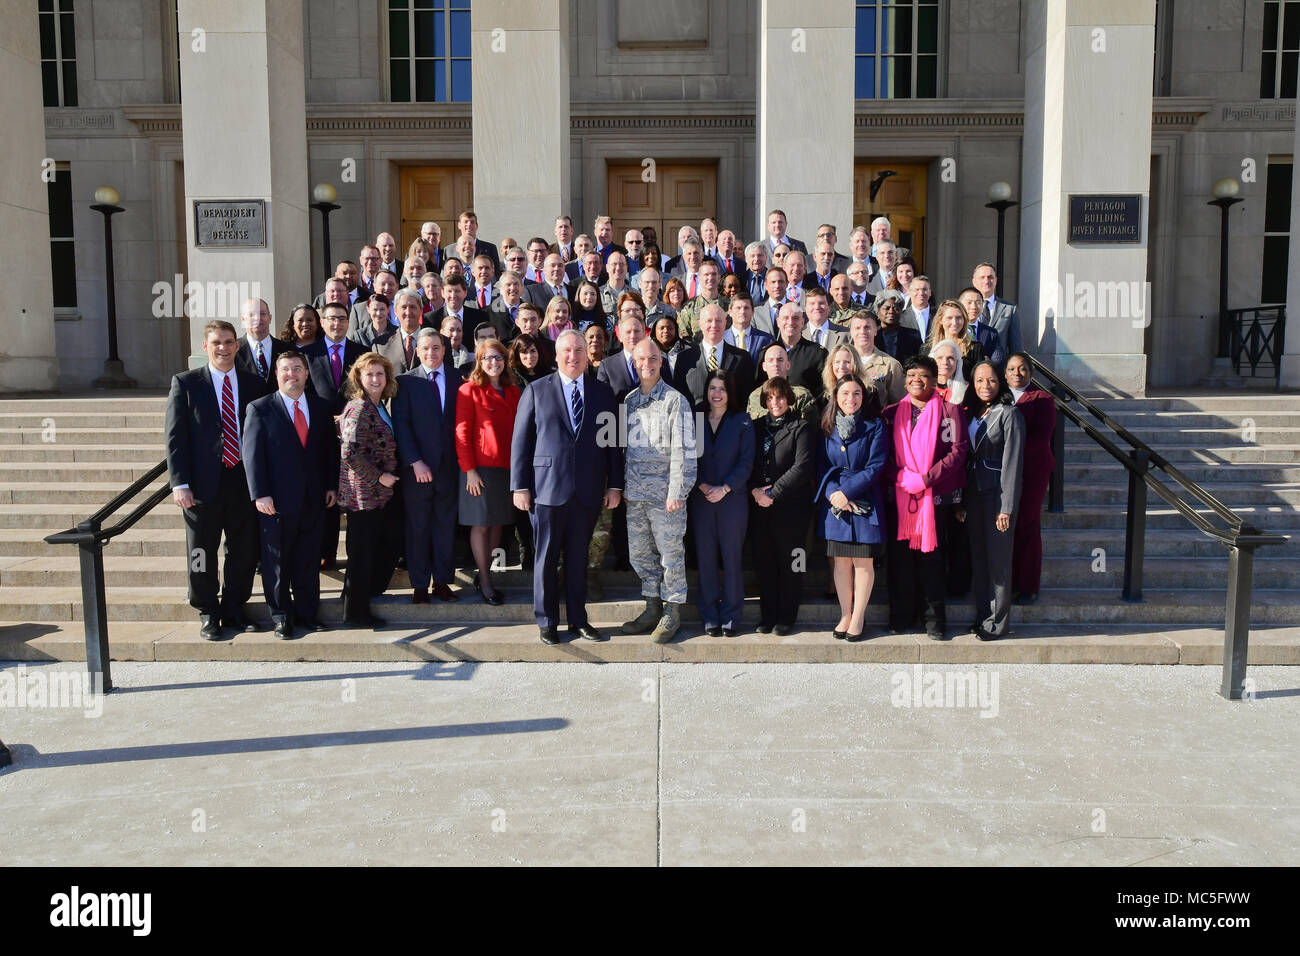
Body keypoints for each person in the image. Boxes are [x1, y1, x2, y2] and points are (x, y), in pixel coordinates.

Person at [511, 329, 624, 646]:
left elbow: (613, 444)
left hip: (587, 491)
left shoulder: (602, 392)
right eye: (567, 351)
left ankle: (578, 619)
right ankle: (547, 621)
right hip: (546, 489)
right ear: (557, 355)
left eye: (578, 350)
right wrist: (520, 487)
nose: (573, 356)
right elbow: (521, 443)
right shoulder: (536, 389)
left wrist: (614, 485)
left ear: (587, 355)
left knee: (578, 559)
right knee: (545, 558)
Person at [166, 320, 269, 640]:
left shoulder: (254, 384)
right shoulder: (185, 383)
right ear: (205, 347)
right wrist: (179, 483)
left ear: (237, 346)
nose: (223, 348)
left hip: (243, 481)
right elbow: (176, 437)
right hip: (201, 485)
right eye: (216, 343)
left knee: (242, 549)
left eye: (228, 342)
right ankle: (207, 611)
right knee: (201, 550)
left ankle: (234, 608)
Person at [242, 350, 338, 639]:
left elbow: (329, 452)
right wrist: (260, 494)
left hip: (314, 498)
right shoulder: (259, 408)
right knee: (277, 561)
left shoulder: (321, 408)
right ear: (277, 374)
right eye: (285, 369)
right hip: (277, 501)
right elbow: (252, 456)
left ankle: (308, 614)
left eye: (297, 369)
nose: (291, 374)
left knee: (308, 559)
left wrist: (332, 485)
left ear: (307, 374)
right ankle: (281, 616)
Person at [882, 356, 969, 641]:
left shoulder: (949, 412)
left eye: (923, 375)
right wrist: (903, 478)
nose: (916, 379)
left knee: (932, 561)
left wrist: (926, 479)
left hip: (936, 498)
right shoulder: (891, 413)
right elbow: (882, 454)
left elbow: (957, 451)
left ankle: (934, 622)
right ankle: (902, 616)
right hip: (900, 495)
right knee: (901, 561)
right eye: (911, 374)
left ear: (935, 380)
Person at [620, 339, 697, 644]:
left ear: (661, 362)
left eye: (653, 358)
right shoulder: (628, 401)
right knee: (641, 555)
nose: (648, 364)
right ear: (635, 364)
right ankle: (652, 607)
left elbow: (685, 450)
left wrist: (678, 491)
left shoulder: (674, 401)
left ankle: (673, 611)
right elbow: (621, 449)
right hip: (635, 495)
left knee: (670, 555)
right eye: (642, 359)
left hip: (666, 497)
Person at [815, 375, 889, 642]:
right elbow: (821, 465)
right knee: (841, 563)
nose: (851, 399)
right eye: (845, 393)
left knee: (863, 561)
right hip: (835, 503)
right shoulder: (826, 426)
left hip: (864, 500)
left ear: (863, 396)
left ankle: (858, 617)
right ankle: (845, 614)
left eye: (856, 393)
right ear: (836, 397)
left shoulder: (875, 426)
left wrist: (847, 492)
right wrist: (834, 492)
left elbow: (875, 466)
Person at [392, 329, 463, 606]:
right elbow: (402, 425)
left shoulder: (459, 380)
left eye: (436, 348)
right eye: (425, 349)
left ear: (444, 350)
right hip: (417, 470)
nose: (431, 353)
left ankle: (442, 582)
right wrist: (415, 461)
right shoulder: (405, 382)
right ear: (417, 351)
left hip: (450, 469)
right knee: (418, 528)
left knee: (445, 527)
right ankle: (420, 584)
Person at [338, 352, 403, 627]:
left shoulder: (379, 406)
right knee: (361, 553)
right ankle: (355, 613)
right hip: (363, 495)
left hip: (378, 496)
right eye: (369, 374)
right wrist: (379, 478)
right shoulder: (360, 407)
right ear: (359, 378)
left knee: (382, 545)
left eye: (380, 374)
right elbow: (349, 452)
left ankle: (357, 599)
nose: (375, 379)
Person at [454, 338, 520, 605]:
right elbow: (462, 432)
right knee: (480, 525)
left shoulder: (513, 391)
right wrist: (469, 469)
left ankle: (486, 574)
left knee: (497, 523)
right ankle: (485, 580)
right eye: (487, 358)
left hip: (507, 468)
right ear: (479, 362)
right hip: (479, 469)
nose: (493, 362)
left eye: (498, 357)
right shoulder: (468, 390)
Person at [962, 360, 1025, 641]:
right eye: (979, 381)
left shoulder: (1009, 414)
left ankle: (998, 623)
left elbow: (1013, 463)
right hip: (974, 495)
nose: (985, 386)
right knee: (979, 559)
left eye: (990, 380)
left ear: (1000, 382)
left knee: (998, 562)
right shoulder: (973, 414)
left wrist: (1006, 507)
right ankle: (981, 617)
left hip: (997, 497)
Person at [691, 369, 754, 638]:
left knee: (731, 558)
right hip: (702, 499)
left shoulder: (743, 421)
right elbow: (687, 457)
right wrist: (703, 485)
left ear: (730, 393)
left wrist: (725, 487)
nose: (717, 394)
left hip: (732, 501)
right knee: (705, 559)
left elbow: (747, 461)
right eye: (713, 388)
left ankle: (731, 615)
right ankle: (709, 614)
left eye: (722, 389)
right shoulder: (695, 420)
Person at [750, 377, 815, 635]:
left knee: (793, 564)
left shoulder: (801, 427)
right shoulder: (754, 427)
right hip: (759, 507)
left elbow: (802, 467)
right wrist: (754, 490)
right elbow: (745, 460)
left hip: (791, 509)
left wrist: (773, 493)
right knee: (765, 564)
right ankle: (768, 616)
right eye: (770, 398)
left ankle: (787, 616)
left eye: (779, 397)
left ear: (788, 399)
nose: (775, 402)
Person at [1005, 351, 1056, 605]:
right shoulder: (997, 397)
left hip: (1031, 470)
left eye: (1022, 369)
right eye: (1012, 369)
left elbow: (1040, 439)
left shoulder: (1042, 399)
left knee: (1027, 524)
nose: (1017, 373)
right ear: (1004, 373)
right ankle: (1008, 582)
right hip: (1002, 473)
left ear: (1031, 373)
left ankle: (1027, 586)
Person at [676, 303, 756, 408]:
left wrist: (736, 422)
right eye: (709, 321)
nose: (714, 325)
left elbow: (745, 397)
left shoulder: (742, 357)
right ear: (700, 324)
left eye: (718, 321)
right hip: (698, 420)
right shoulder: (685, 359)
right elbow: (681, 399)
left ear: (725, 323)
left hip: (729, 420)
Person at [748, 342, 818, 422]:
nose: (775, 364)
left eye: (780, 360)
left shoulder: (802, 395)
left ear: (788, 365)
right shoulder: (754, 396)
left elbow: (810, 428)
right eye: (770, 360)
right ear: (764, 366)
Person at [848, 309, 905, 407]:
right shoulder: (841, 361)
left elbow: (899, 405)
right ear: (851, 331)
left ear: (875, 330)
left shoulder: (890, 365)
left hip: (876, 420)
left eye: (867, 327)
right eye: (857, 328)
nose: (862, 332)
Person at [922, 298, 986, 380]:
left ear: (964, 320)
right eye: (949, 318)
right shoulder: (926, 349)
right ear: (940, 320)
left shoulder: (975, 348)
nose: (955, 323)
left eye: (959, 318)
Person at [236, 297, 290, 386]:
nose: (257, 318)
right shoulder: (233, 350)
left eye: (262, 314)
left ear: (270, 318)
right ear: (243, 320)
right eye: (251, 314)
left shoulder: (287, 349)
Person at [972, 262, 1023, 355]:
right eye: (982, 277)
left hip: (998, 366)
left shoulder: (1010, 309)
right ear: (974, 282)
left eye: (990, 277)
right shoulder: (963, 308)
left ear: (996, 280)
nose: (986, 281)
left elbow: (1016, 347)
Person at [376, 288, 426, 375]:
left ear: (421, 310)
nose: (408, 312)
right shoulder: (380, 345)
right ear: (395, 311)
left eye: (413, 307)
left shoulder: (439, 341)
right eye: (403, 307)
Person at [959, 285, 1008, 369]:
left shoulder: (991, 333)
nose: (974, 307)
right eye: (969, 302)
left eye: (978, 302)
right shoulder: (953, 329)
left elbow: (998, 361)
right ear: (960, 304)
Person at [874, 289, 921, 363]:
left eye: (896, 308)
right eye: (887, 308)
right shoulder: (873, 336)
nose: (891, 312)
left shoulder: (913, 336)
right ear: (878, 312)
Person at [929, 338, 969, 403]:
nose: (945, 362)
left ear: (957, 362)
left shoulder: (966, 390)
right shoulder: (924, 387)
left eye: (950, 358)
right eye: (940, 358)